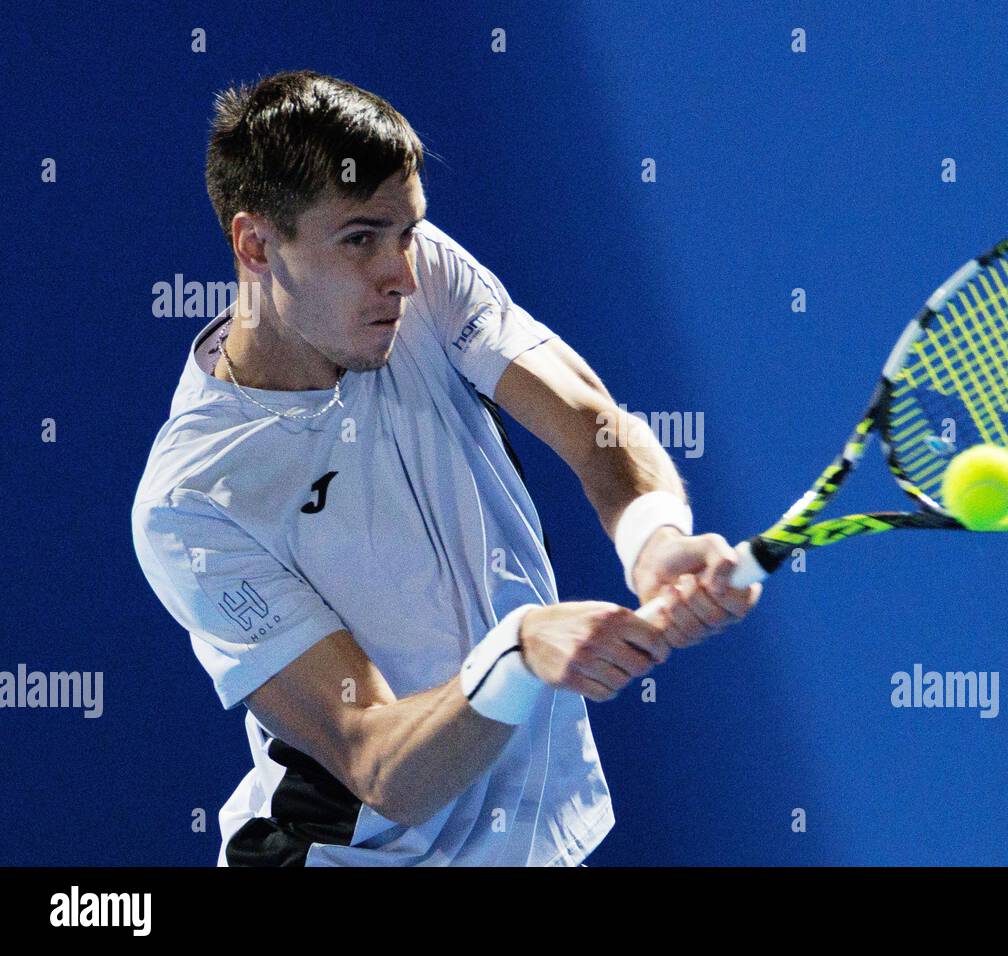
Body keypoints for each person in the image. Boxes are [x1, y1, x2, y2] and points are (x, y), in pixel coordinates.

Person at [130, 70, 760, 866]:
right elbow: (377, 762)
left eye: (407, 231)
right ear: (256, 246)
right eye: (360, 238)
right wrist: (520, 650)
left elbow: (591, 421)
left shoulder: (418, 281)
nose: (402, 272)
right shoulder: (192, 502)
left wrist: (654, 539)